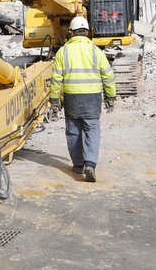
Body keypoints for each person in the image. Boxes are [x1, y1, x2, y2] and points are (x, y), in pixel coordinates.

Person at [48, 16, 117, 182]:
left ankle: (78, 165)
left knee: (73, 130)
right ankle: (90, 164)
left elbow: (56, 80)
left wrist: (55, 100)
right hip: (92, 98)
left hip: (72, 98)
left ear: (71, 33)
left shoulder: (63, 52)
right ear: (87, 32)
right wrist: (110, 96)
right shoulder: (96, 51)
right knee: (92, 129)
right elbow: (108, 76)